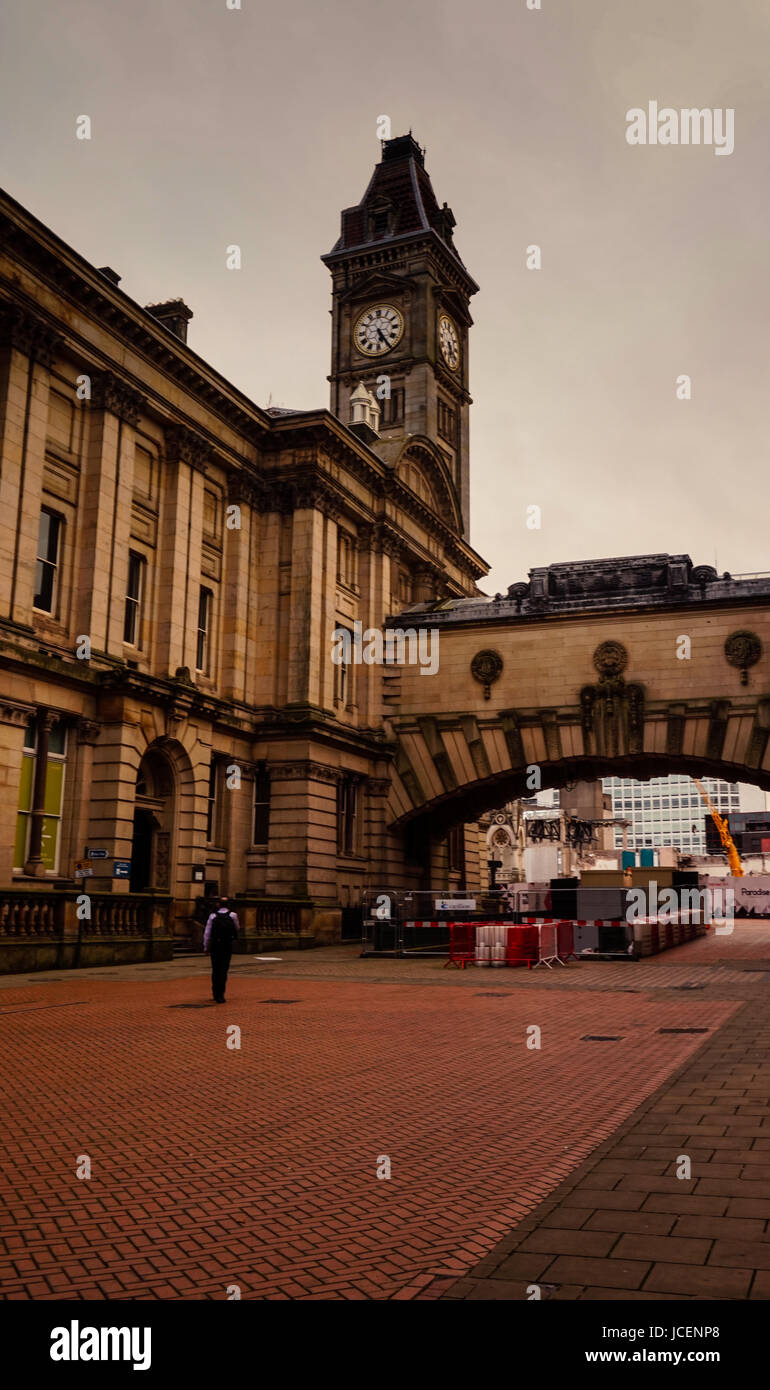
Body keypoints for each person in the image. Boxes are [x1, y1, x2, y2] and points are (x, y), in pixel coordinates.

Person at [203, 897, 239, 1003]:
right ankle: (221, 994)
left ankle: (215, 993)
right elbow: (237, 928)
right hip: (227, 945)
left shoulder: (212, 916)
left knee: (215, 969)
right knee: (224, 969)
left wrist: (205, 947)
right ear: (228, 905)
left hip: (215, 945)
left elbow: (207, 933)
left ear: (218, 905)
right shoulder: (233, 915)